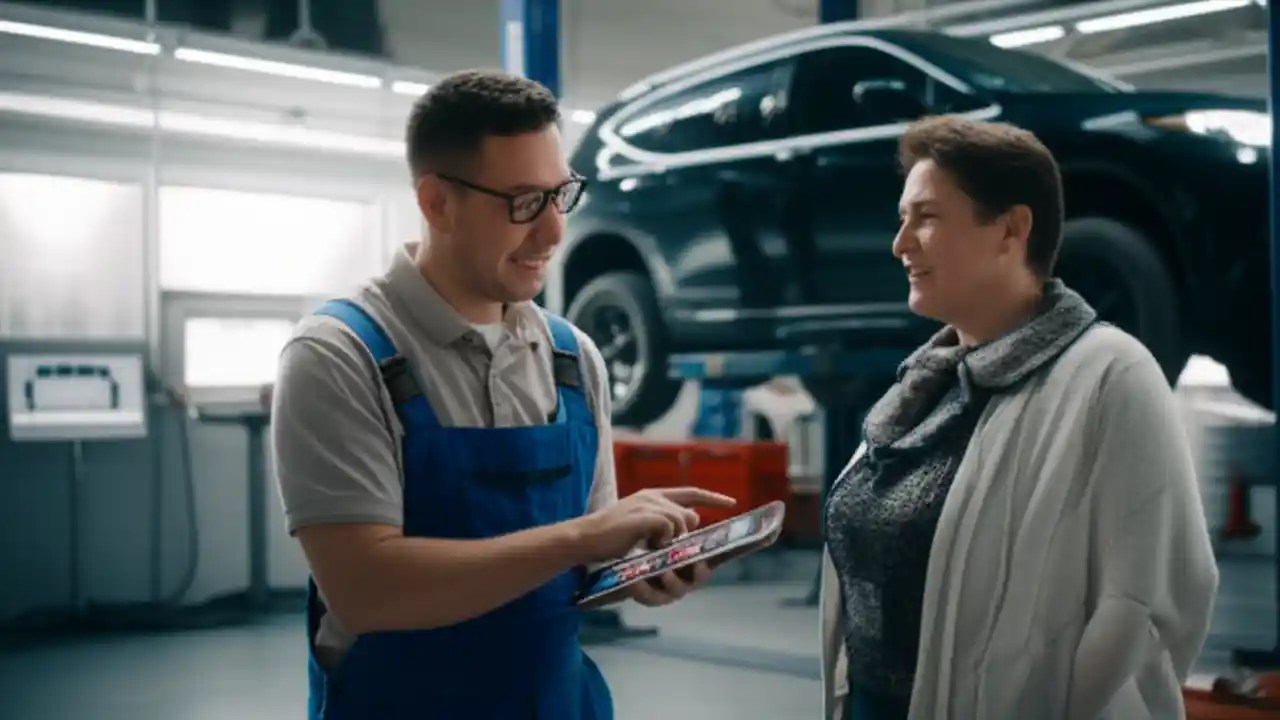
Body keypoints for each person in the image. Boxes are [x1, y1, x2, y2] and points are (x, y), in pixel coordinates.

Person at [271, 69, 735, 720]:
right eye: (522, 203)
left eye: (559, 196)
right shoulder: (339, 357)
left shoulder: (574, 360)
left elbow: (580, 570)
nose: (552, 234)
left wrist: (636, 567)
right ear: (437, 203)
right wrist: (581, 537)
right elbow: (366, 591)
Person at [818, 115, 1219, 720]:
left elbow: (1154, 603)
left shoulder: (1109, 375)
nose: (900, 243)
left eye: (925, 217)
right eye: (902, 219)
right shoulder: (921, 385)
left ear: (1011, 228)